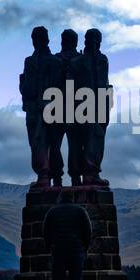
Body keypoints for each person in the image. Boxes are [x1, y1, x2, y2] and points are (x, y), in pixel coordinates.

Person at [45, 28, 88, 186]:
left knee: (56, 144)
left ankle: (58, 177)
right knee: (73, 144)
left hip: (58, 105)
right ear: (75, 42)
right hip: (75, 106)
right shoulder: (80, 59)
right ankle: (74, 177)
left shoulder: (55, 59)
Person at [43, 195, 92, 280]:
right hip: (76, 250)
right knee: (76, 279)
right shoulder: (80, 210)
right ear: (72, 199)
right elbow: (87, 231)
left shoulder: (52, 211)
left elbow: (46, 231)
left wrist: (50, 247)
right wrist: (85, 247)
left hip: (58, 250)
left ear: (60, 199)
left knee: (57, 279)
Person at [19, 26, 53, 188]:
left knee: (38, 142)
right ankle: (53, 177)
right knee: (52, 143)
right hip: (53, 107)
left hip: (37, 108)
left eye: (35, 39)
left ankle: (44, 175)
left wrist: (22, 82)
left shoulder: (31, 61)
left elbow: (28, 88)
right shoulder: (55, 61)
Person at [77, 27, 110, 186]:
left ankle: (91, 173)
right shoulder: (83, 61)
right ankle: (90, 173)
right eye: (93, 39)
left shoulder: (101, 59)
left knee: (95, 139)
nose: (95, 43)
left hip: (97, 104)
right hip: (86, 104)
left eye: (97, 40)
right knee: (91, 138)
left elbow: (103, 83)